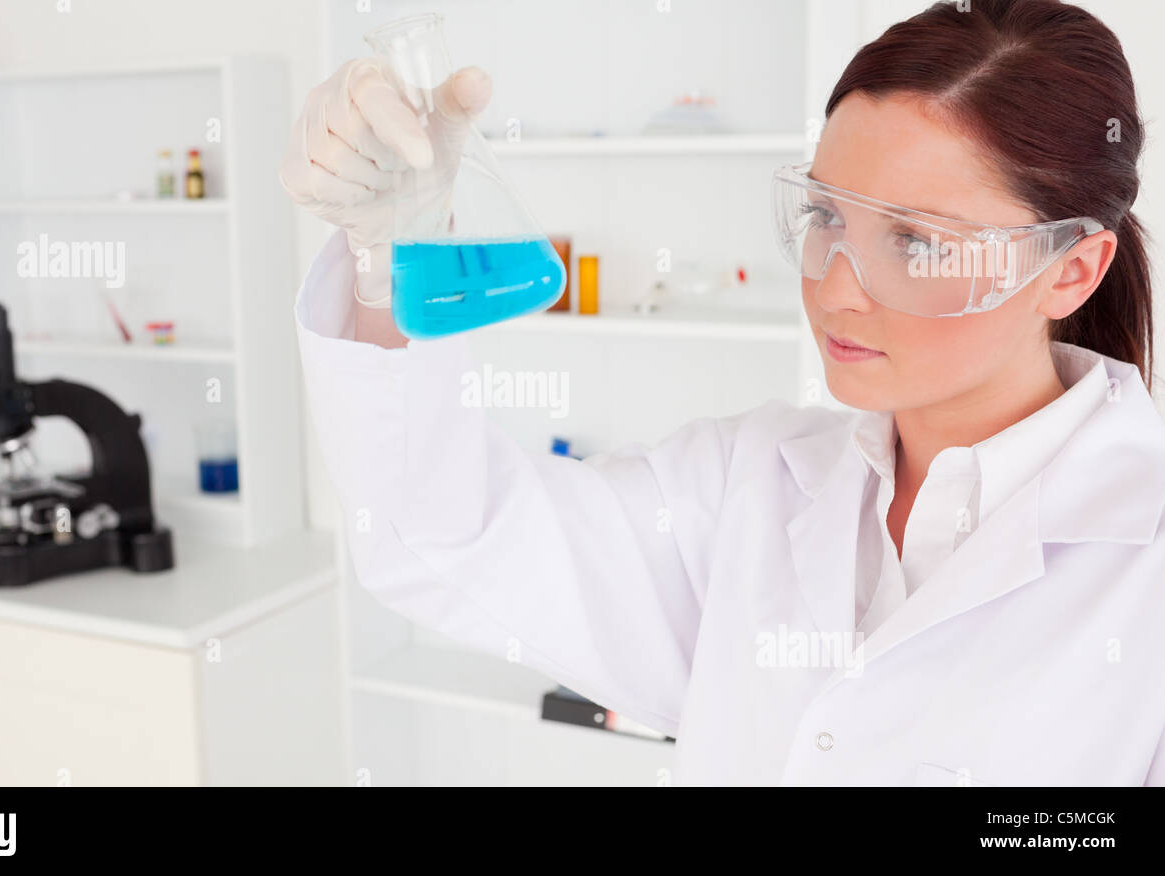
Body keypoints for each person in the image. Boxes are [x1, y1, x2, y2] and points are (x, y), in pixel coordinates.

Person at [279, 0, 1165, 785]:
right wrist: (387, 246)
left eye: (919, 242)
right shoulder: (749, 483)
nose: (838, 286)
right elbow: (442, 537)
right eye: (826, 218)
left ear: (1072, 270)